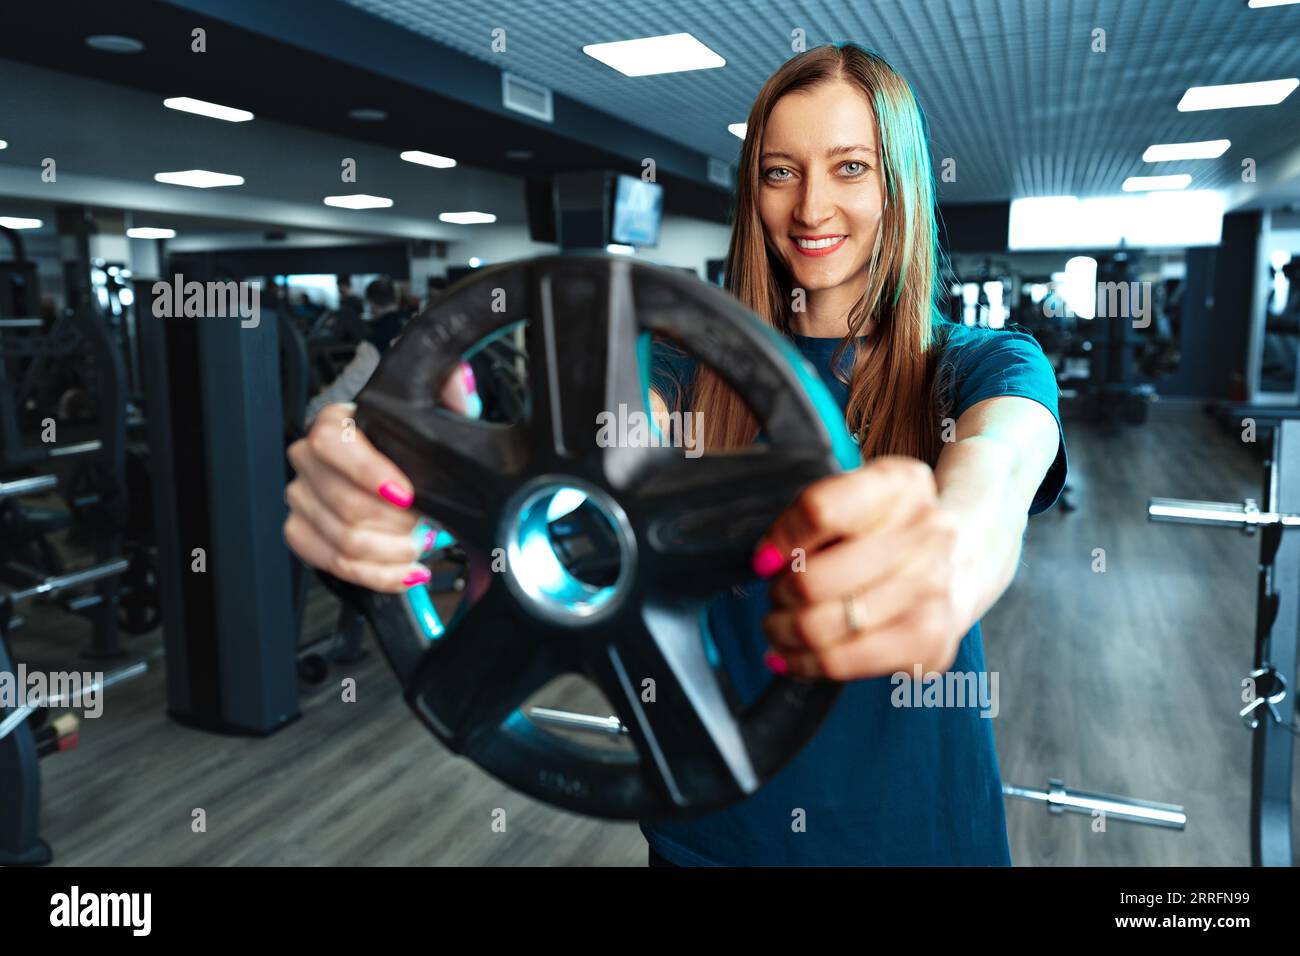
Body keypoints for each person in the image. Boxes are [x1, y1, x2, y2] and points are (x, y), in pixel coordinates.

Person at [283, 41, 1068, 866]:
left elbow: (997, 467)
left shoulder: (982, 365)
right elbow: (597, 471)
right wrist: (394, 500)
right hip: (712, 834)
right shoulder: (675, 369)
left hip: (915, 836)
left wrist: (952, 545)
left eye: (849, 168)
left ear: (899, 184)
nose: (810, 208)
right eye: (779, 172)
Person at [301, 277, 431, 429]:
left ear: (371, 303)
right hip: (421, 413)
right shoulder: (414, 325)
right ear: (396, 298)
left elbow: (350, 385)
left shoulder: (378, 340)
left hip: (393, 420)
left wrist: (313, 409)